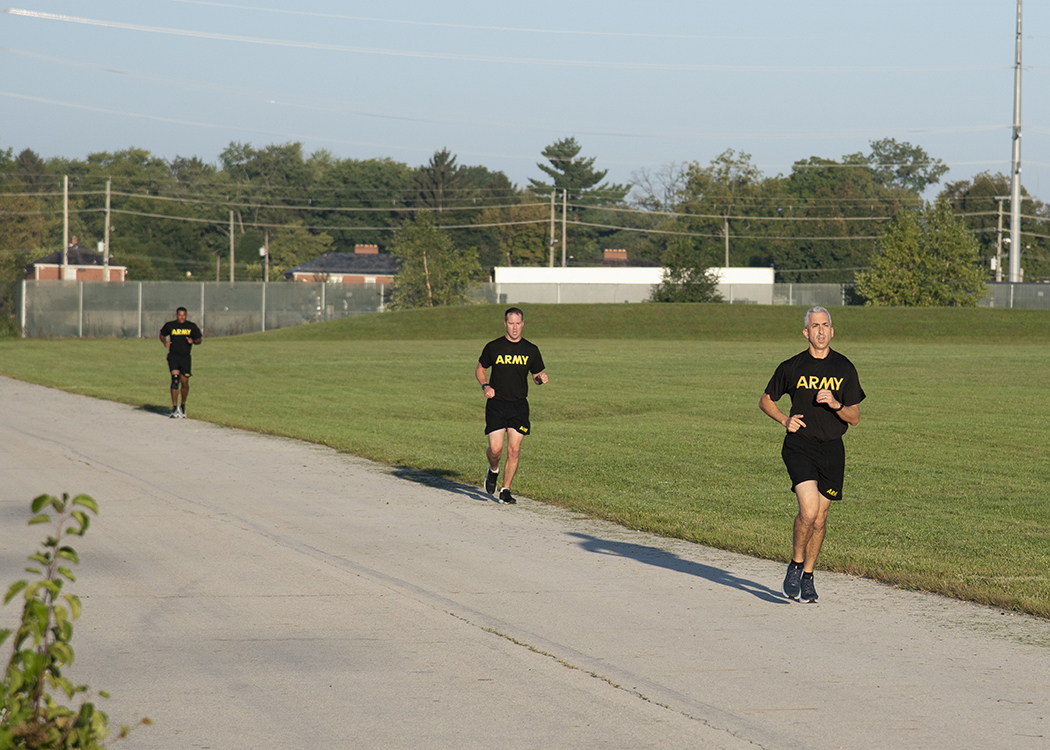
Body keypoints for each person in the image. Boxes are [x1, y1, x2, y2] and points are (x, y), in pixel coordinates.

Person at [759, 306, 865, 603]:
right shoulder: (792, 367)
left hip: (832, 449)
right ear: (806, 332)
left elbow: (854, 417)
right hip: (800, 446)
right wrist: (784, 419)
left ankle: (808, 575)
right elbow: (765, 400)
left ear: (832, 331)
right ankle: (794, 565)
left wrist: (835, 404)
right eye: (815, 326)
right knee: (808, 511)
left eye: (825, 325)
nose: (820, 330)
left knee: (820, 518)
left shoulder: (844, 368)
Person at [475, 307, 549, 504]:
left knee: (514, 450)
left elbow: (535, 375)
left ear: (523, 324)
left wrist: (540, 378)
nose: (515, 328)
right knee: (496, 449)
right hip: (497, 405)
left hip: (518, 406)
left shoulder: (531, 350)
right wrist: (485, 386)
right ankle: (493, 470)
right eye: (511, 323)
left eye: (518, 324)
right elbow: (480, 369)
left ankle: (505, 490)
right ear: (505, 324)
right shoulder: (494, 347)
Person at [159, 307, 203, 419]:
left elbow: (199, 339)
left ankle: (182, 406)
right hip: (174, 356)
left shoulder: (191, 326)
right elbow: (162, 334)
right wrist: (165, 342)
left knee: (184, 383)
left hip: (185, 359)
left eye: (184, 315)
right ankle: (174, 408)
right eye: (180, 315)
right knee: (175, 379)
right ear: (176, 315)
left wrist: (192, 341)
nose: (182, 317)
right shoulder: (170, 325)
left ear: (186, 315)